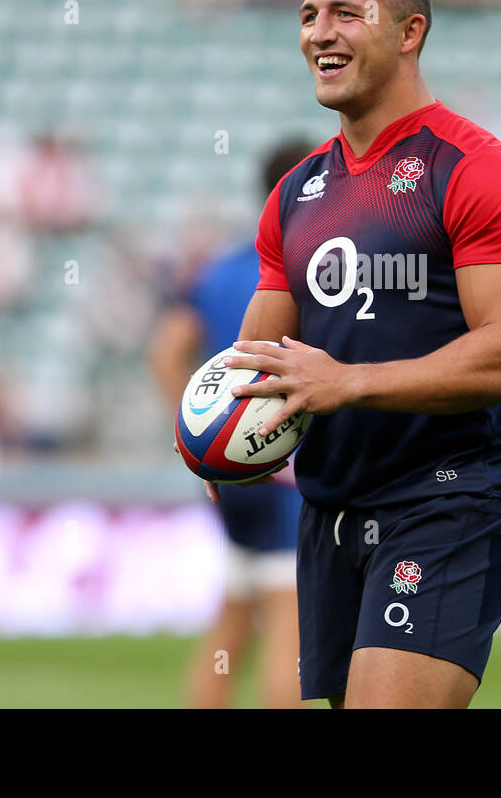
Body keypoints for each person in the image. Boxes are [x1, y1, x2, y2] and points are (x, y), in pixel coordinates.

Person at [215, 0, 501, 708]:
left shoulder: (474, 170)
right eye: (306, 14)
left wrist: (348, 382)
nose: (317, 32)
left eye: (343, 13)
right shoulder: (294, 195)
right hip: (330, 511)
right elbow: (254, 358)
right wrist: (219, 435)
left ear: (410, 32)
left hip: (445, 500)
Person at [150, 138, 310, 709]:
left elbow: (167, 350)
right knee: (291, 629)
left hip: (229, 465)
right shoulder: (307, 271)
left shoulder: (219, 269)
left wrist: (199, 436)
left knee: (234, 624)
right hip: (284, 465)